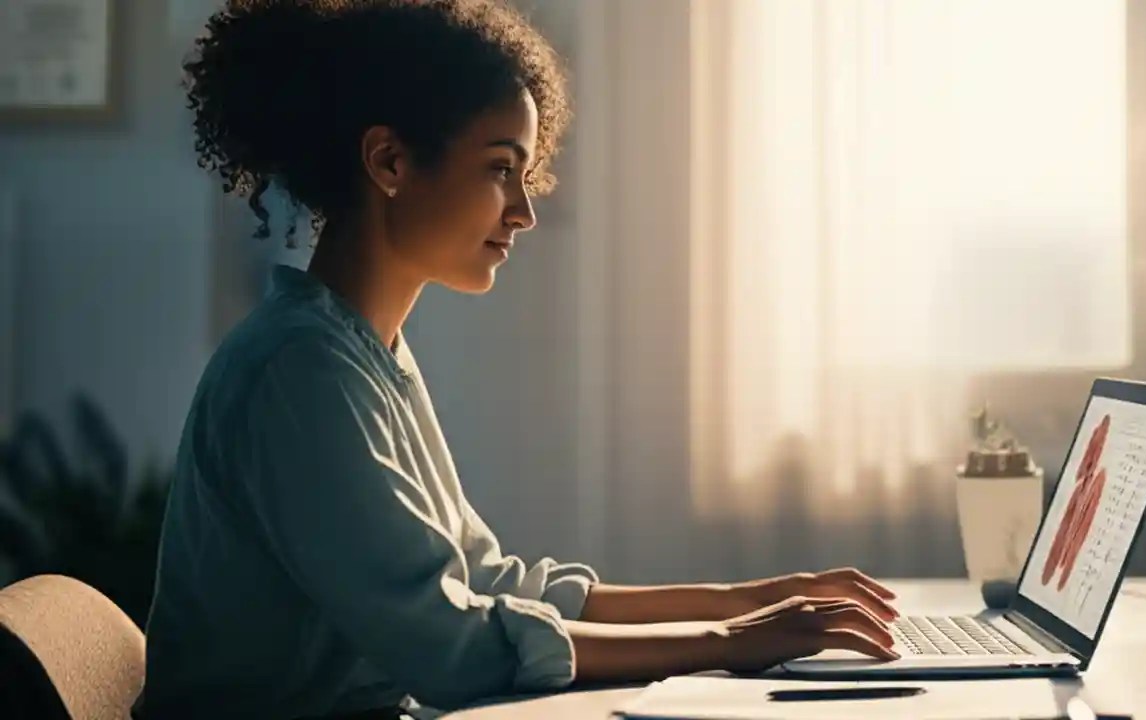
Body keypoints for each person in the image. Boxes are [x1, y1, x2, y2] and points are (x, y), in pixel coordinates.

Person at [136, 1, 901, 718]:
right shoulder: (300, 371)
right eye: (502, 168)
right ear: (390, 161)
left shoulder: (361, 352)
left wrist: (741, 601)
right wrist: (729, 644)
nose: (524, 211)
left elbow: (484, 584)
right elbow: (451, 648)